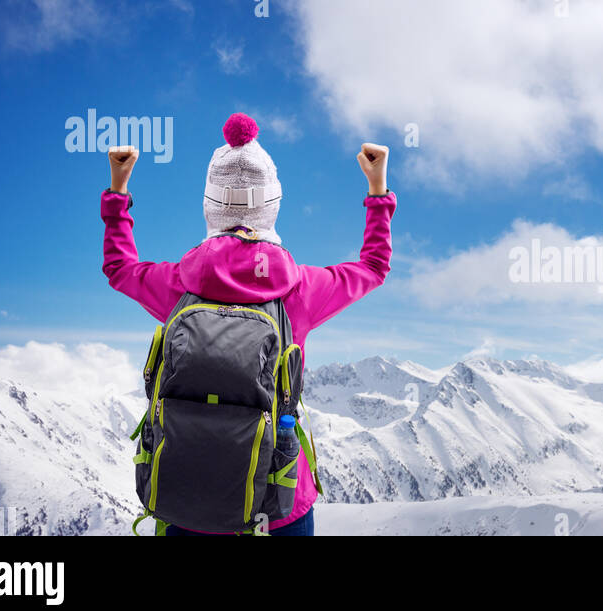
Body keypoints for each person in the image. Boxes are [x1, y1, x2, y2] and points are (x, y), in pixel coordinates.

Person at [101, 112, 395, 535]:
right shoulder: (299, 291)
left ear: (209, 205)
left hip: (186, 500)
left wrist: (118, 189)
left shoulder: (177, 286)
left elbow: (119, 268)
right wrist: (377, 188)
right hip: (278, 506)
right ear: (273, 204)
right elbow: (372, 266)